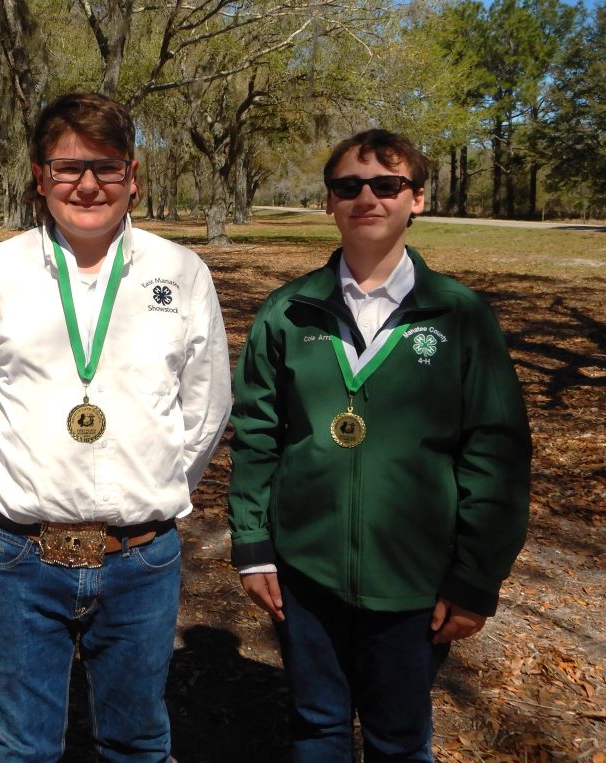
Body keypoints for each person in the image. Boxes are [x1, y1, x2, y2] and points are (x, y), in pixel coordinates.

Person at [0, 92, 231, 762]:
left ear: (132, 174)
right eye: (67, 167)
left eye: (106, 166)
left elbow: (206, 406)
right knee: (21, 748)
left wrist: (159, 482)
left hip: (141, 558)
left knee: (136, 742)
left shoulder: (180, 273)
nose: (87, 184)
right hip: (20, 558)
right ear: (40, 177)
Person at [227, 130, 531, 761]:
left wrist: (477, 576)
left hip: (415, 577)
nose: (366, 198)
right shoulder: (289, 311)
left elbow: (496, 452)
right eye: (348, 186)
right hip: (305, 570)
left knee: (398, 736)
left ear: (416, 198)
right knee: (316, 725)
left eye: (386, 184)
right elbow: (255, 432)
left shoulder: (459, 315)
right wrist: (253, 544)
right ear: (329, 203)